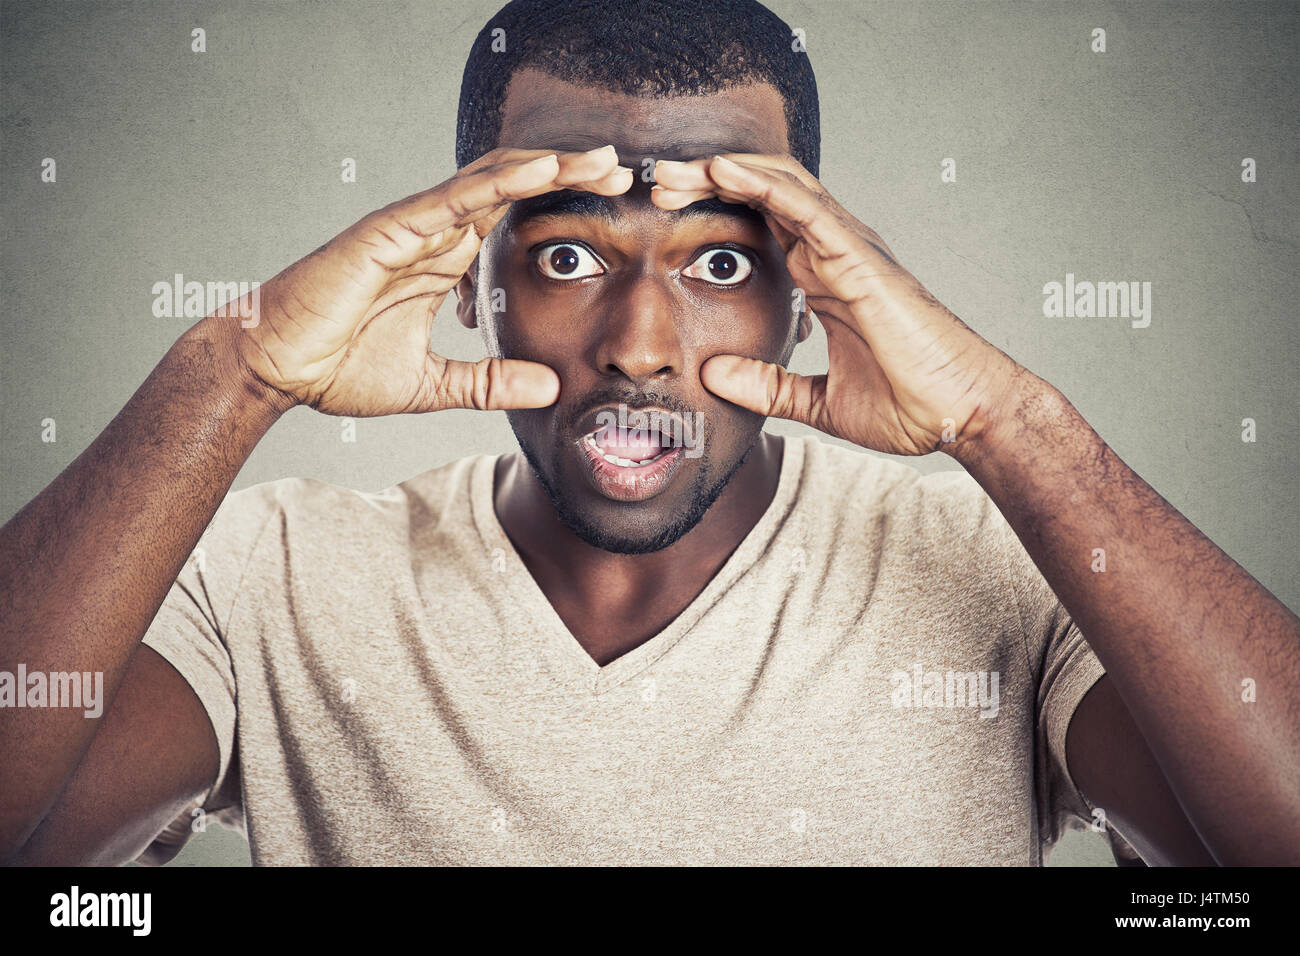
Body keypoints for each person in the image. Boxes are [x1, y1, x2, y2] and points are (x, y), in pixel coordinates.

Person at [2, 0, 1296, 867]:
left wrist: (1010, 425)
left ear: (810, 294)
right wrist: (232, 371)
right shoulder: (266, 579)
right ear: (470, 279)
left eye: (720, 268)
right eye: (567, 251)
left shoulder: (1007, 568)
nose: (637, 339)